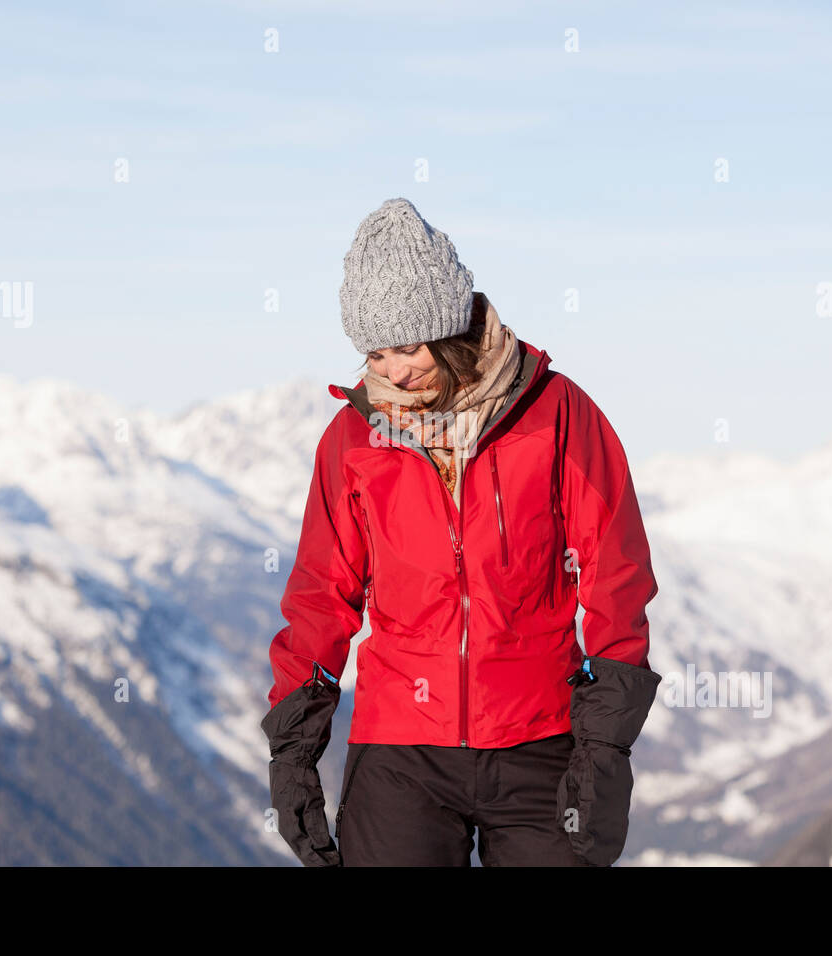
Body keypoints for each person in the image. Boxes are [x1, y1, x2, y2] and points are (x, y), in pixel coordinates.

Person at [260, 197, 662, 867]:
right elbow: (321, 595)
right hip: (400, 752)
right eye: (376, 352)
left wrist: (605, 751)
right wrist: (294, 753)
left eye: (408, 346)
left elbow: (617, 575)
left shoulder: (556, 413)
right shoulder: (355, 439)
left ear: (449, 328)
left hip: (539, 740)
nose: (392, 370)